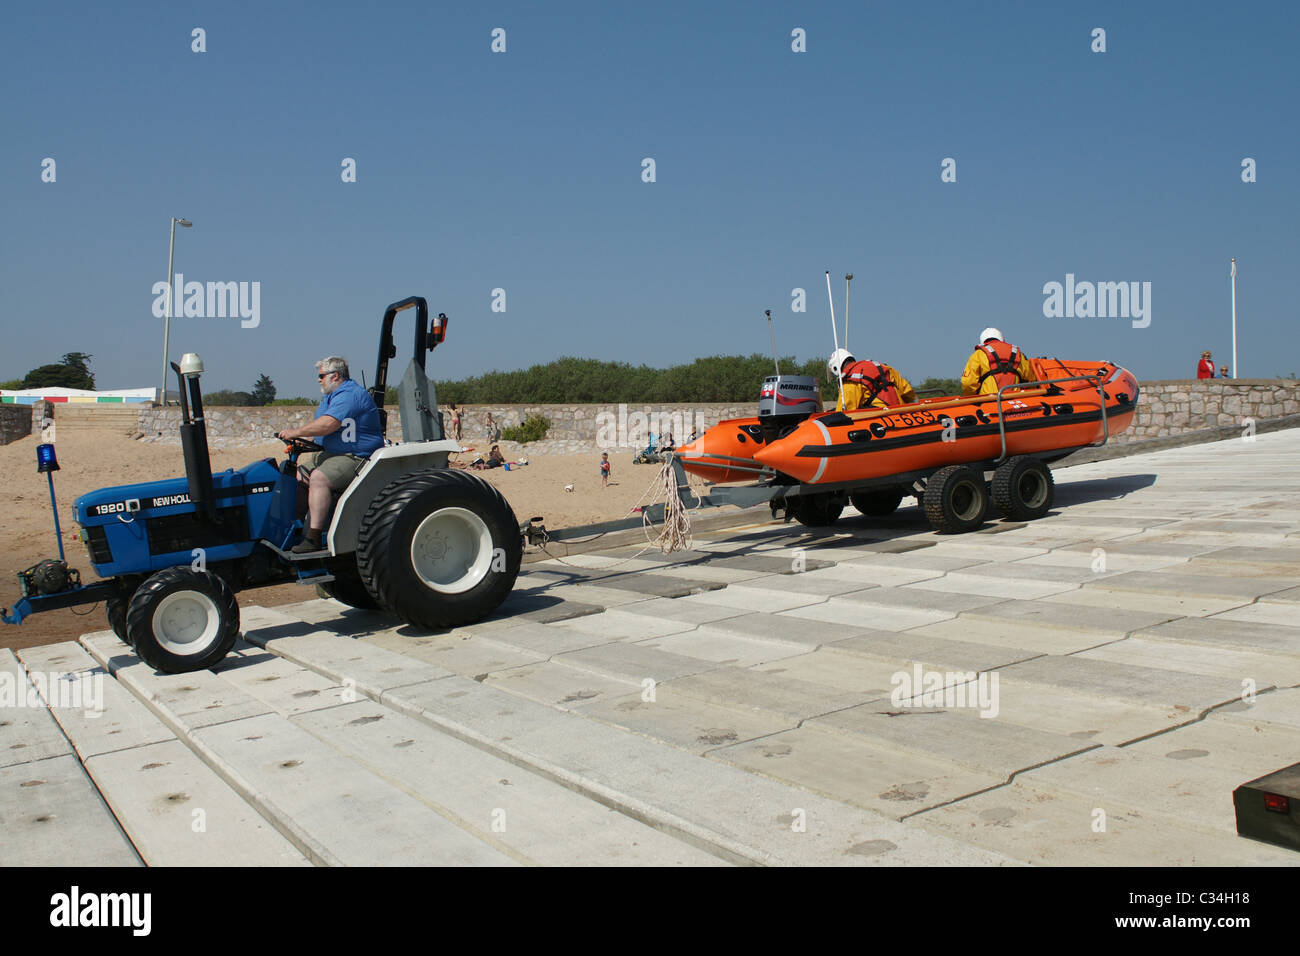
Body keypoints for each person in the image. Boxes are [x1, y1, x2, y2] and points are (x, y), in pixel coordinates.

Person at [278, 356, 384, 553]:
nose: (318, 380)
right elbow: (323, 430)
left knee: (319, 478)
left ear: (335, 376)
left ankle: (313, 537)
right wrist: (305, 440)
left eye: (321, 376)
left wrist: (296, 432)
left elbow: (329, 424)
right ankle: (295, 527)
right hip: (332, 454)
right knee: (295, 475)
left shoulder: (350, 394)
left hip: (356, 456)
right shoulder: (330, 397)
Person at [827, 349, 916, 411]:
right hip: (900, 413)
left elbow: (845, 410)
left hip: (880, 419)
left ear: (836, 368)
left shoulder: (850, 381)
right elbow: (908, 392)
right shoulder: (883, 367)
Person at [961, 328, 1034, 396]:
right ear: (1002, 339)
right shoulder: (1018, 353)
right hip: (1016, 400)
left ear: (983, 342)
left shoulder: (978, 354)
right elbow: (1031, 380)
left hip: (989, 402)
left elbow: (968, 383)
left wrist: (972, 398)